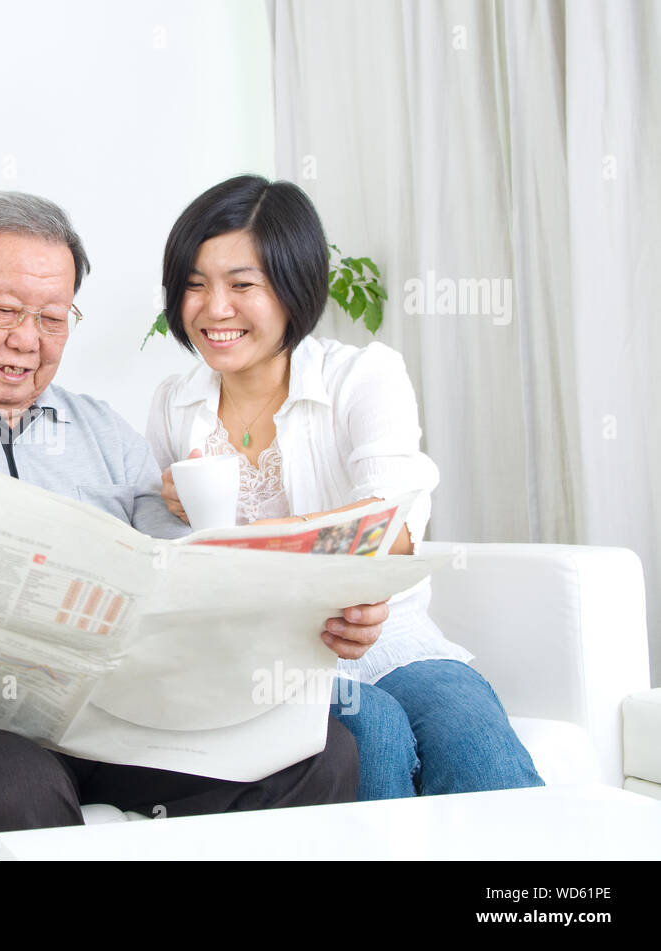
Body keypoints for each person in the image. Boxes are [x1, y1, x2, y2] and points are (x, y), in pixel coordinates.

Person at [0, 191, 393, 860]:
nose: (28, 339)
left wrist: (308, 611)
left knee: (316, 753)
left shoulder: (106, 431)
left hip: (119, 717)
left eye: (53, 317)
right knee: (15, 788)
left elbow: (184, 578)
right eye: (6, 310)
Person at [146, 174, 544, 799]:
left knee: (471, 737)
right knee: (370, 735)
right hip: (265, 662)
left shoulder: (362, 376)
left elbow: (395, 519)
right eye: (194, 285)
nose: (214, 308)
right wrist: (176, 521)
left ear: (294, 285)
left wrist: (232, 541)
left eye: (242, 285)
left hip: (392, 640)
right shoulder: (175, 406)